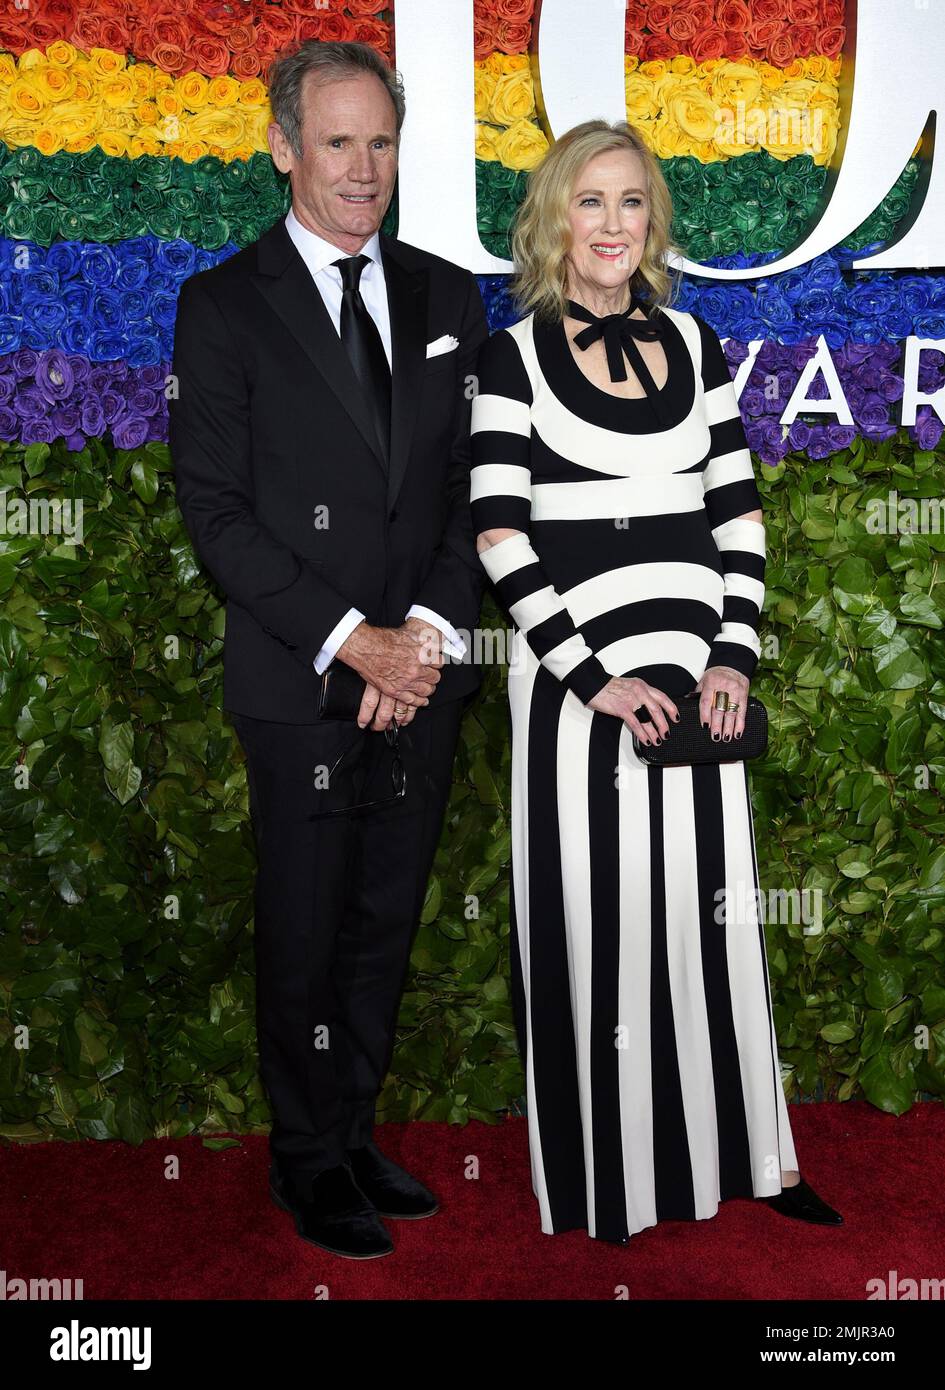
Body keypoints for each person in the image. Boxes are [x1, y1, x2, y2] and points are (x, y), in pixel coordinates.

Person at [470, 119, 843, 1243]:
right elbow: (498, 537)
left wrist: (733, 652)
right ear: (553, 219)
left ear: (654, 220)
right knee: (599, 929)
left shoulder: (697, 340)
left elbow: (737, 514)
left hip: (699, 699)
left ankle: (757, 1161)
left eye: (632, 203)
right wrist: (594, 680)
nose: (613, 225)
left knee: (714, 925)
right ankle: (613, 1184)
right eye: (591, 202)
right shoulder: (512, 357)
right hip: (580, 702)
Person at [169, 41, 488, 1260]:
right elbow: (217, 516)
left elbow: (476, 495)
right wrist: (359, 646)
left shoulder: (448, 298)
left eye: (383, 143)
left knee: (382, 924)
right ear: (284, 147)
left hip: (425, 679)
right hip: (303, 686)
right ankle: (303, 1162)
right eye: (340, 142)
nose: (365, 170)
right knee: (304, 932)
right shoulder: (222, 303)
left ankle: (351, 1132)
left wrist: (428, 645)